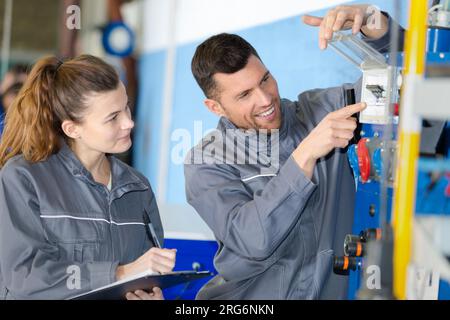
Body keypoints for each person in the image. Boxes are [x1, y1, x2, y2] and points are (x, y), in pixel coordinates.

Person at [184, 5, 402, 299]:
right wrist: (305, 154)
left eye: (264, 80)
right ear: (216, 107)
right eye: (244, 95)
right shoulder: (207, 162)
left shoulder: (324, 111)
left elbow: (402, 82)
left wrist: (379, 30)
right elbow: (252, 239)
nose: (264, 99)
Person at [0, 55, 176, 300]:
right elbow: (25, 275)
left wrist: (151, 294)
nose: (129, 122)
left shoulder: (138, 187)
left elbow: (146, 274)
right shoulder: (23, 178)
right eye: (113, 117)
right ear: (72, 128)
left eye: (126, 107)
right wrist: (119, 273)